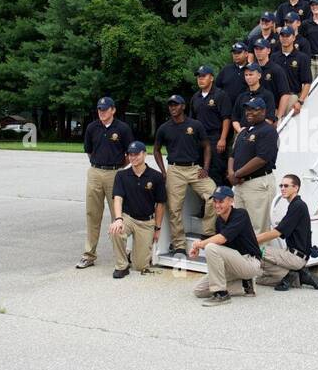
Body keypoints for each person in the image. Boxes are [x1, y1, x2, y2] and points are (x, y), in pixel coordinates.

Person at [77, 96, 135, 269]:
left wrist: (117, 167)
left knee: (118, 215)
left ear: (113, 110)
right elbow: (89, 151)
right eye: (99, 109)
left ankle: (123, 252)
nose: (102, 112)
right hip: (95, 171)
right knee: (92, 214)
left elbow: (130, 154)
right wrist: (98, 163)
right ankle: (89, 254)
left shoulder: (123, 128)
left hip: (115, 173)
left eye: (105, 109)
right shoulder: (92, 127)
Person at [154, 94, 216, 254]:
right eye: (170, 105)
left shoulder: (195, 125)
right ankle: (179, 244)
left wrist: (206, 168)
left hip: (194, 169)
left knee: (213, 194)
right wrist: (163, 171)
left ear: (183, 106)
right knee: (174, 208)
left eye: (176, 105)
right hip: (174, 170)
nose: (173, 108)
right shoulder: (164, 128)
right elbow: (156, 150)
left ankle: (208, 232)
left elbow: (207, 146)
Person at [189, 187, 261, 306]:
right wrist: (199, 246)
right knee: (199, 291)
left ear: (231, 201)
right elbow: (222, 245)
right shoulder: (219, 221)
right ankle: (245, 286)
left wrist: (199, 245)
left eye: (221, 201)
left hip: (250, 262)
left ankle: (221, 294)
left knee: (211, 247)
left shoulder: (241, 214)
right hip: (234, 264)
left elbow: (222, 238)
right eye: (215, 201)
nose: (217, 205)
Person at [108, 141, 165, 279]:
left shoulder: (156, 176)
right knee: (115, 230)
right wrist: (118, 219)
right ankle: (122, 266)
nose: (133, 157)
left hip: (146, 222)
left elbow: (161, 204)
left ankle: (132, 255)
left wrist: (157, 228)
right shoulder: (121, 175)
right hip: (128, 217)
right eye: (130, 155)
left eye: (136, 154)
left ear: (144, 154)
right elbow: (118, 198)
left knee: (140, 266)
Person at [256, 174, 318, 291]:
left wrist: (252, 240)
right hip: (294, 255)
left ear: (296, 188)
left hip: (296, 257)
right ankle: (298, 278)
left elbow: (277, 233)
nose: (282, 188)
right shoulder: (295, 205)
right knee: (260, 279)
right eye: (281, 185)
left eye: (286, 186)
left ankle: (291, 274)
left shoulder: (298, 206)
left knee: (256, 251)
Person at [228, 95, 279, 232]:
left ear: (263, 111)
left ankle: (257, 254)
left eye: (253, 109)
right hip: (240, 185)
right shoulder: (243, 131)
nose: (249, 112)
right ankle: (243, 254)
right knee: (240, 226)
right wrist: (231, 173)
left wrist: (237, 174)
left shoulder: (269, 131)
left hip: (258, 184)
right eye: (247, 109)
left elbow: (262, 158)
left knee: (258, 228)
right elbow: (232, 155)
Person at [191, 64, 232, 188]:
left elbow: (226, 118)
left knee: (215, 171)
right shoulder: (195, 97)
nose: (200, 79)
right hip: (199, 140)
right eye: (198, 77)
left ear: (212, 78)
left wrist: (223, 138)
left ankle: (218, 203)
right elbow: (192, 120)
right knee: (200, 172)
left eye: (204, 76)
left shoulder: (220, 95)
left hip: (215, 138)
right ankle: (204, 205)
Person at [251, 38, 293, 116]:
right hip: (254, 112)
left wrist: (278, 117)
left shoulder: (277, 70)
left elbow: (285, 95)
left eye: (261, 49)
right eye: (256, 49)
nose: (258, 51)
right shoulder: (250, 70)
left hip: (272, 112)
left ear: (268, 51)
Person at [230, 63, 277, 132]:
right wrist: (240, 131)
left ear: (259, 76)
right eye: (246, 75)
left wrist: (253, 132)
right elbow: (234, 119)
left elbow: (269, 119)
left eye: (251, 74)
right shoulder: (241, 96)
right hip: (242, 135)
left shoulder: (267, 95)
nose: (248, 77)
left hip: (260, 135)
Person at [276, 27, 313, 114]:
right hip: (276, 97)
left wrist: (300, 101)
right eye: (282, 36)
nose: (284, 38)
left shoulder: (302, 57)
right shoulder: (274, 57)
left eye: (287, 36)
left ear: (293, 37)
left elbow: (307, 82)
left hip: (292, 96)